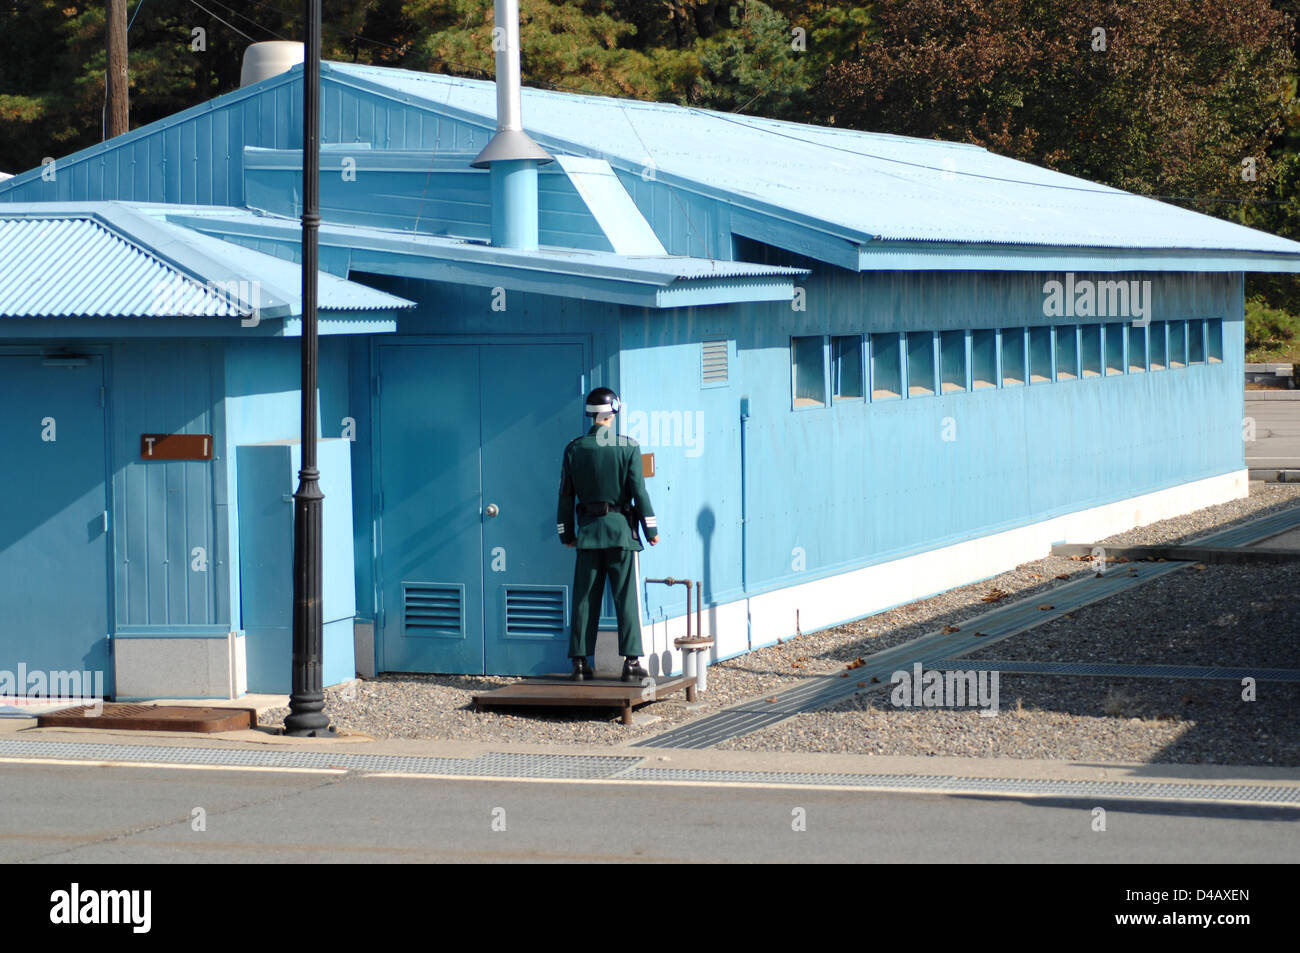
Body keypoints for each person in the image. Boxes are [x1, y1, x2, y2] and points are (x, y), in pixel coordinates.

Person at [556, 387, 658, 682]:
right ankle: (630, 662)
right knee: (625, 597)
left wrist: (567, 533)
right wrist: (651, 529)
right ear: (612, 412)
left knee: (585, 598)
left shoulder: (574, 449)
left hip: (588, 534)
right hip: (621, 533)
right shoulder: (627, 447)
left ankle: (579, 663)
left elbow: (565, 496)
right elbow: (640, 493)